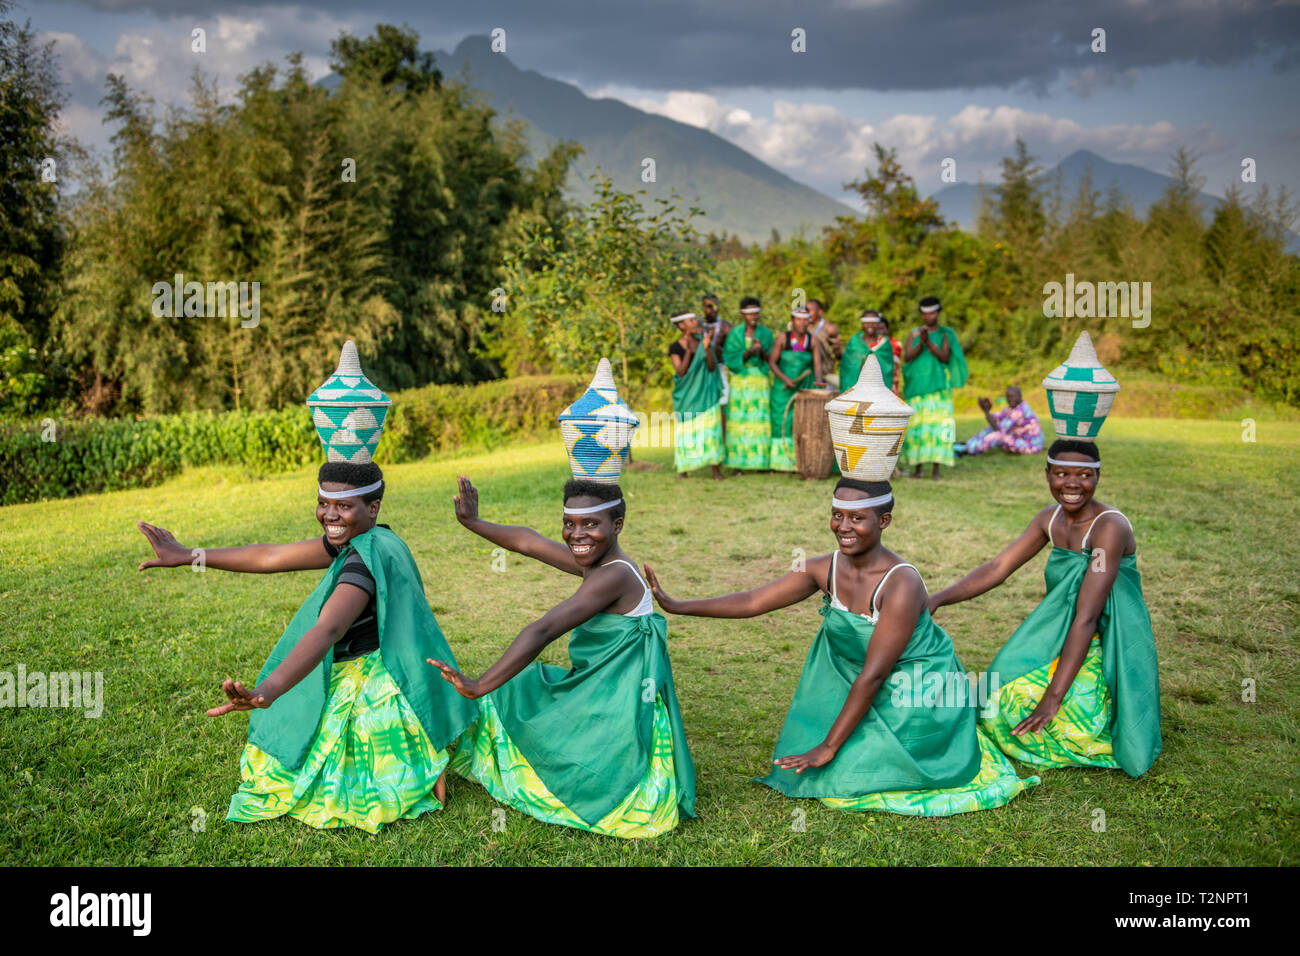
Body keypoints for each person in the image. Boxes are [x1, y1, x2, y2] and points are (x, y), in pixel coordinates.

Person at [644, 478, 1038, 815]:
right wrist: (679, 605)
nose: (843, 526)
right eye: (837, 515)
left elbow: (876, 674)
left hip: (916, 690)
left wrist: (829, 746)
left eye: (857, 518)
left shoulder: (901, 584)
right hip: (869, 682)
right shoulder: (820, 567)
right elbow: (753, 601)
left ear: (883, 521)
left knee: (849, 773)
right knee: (837, 774)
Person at [136, 460, 479, 833]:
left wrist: (270, 690)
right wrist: (190, 555)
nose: (329, 514)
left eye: (343, 506)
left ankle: (418, 760)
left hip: (381, 680)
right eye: (323, 503)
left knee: (305, 774)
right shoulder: (375, 538)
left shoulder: (361, 563)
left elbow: (328, 630)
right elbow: (268, 556)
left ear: (373, 508)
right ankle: (421, 752)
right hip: (398, 666)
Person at [430, 477, 697, 838]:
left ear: (617, 525)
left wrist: (479, 685)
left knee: (513, 691)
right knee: (522, 688)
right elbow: (529, 542)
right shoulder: (600, 560)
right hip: (605, 682)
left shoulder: (613, 575)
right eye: (569, 524)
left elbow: (543, 630)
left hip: (621, 698)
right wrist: (474, 523)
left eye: (591, 524)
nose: (576, 535)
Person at [926, 439, 1162, 777]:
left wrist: (1053, 697)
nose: (1072, 484)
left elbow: (1088, 616)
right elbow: (997, 568)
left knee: (1074, 725)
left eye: (1084, 475)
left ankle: (1093, 700)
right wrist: (937, 599)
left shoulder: (1110, 527)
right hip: (1061, 632)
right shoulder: (1048, 520)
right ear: (1047, 474)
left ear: (1098, 477)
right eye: (1062, 473)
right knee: (995, 701)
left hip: (1108, 639)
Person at [900, 296, 967, 480]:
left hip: (938, 388)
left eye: (932, 313)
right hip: (917, 388)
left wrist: (929, 342)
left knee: (938, 429)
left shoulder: (946, 333)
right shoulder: (914, 333)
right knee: (917, 429)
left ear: (938, 313)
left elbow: (945, 357)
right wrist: (921, 341)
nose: (928, 317)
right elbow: (908, 357)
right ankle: (918, 469)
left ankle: (936, 469)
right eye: (925, 314)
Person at [667, 310, 726, 480]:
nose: (695, 323)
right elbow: (681, 372)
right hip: (687, 396)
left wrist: (706, 348)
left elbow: (712, 367)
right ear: (681, 325)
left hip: (705, 394)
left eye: (695, 320)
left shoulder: (703, 341)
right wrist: (689, 351)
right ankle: (683, 469)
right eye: (691, 320)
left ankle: (715, 470)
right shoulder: (675, 347)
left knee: (711, 431)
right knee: (687, 431)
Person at [768, 306, 825, 472]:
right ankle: (778, 464)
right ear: (792, 321)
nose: (802, 323)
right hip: (783, 389)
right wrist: (785, 379)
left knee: (801, 423)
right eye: (798, 319)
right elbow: (772, 362)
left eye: (805, 319)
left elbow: (817, 365)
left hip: (803, 388)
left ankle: (799, 462)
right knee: (781, 423)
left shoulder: (812, 341)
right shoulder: (782, 339)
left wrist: (819, 381)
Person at [721, 297, 774, 471]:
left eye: (756, 313)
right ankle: (738, 464)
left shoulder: (765, 334)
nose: (754, 316)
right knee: (739, 422)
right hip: (740, 382)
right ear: (743, 315)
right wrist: (749, 352)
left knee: (760, 421)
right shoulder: (735, 334)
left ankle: (761, 463)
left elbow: (772, 360)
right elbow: (730, 359)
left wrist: (762, 352)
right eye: (750, 313)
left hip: (759, 381)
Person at [956, 386, 1044, 457]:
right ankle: (967, 444)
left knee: (998, 435)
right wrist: (987, 410)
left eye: (1012, 396)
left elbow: (999, 428)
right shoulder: (1011, 408)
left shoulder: (1020, 411)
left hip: (1030, 445)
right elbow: (995, 419)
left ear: (1020, 396)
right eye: (1008, 397)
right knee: (990, 428)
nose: (1010, 399)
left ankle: (968, 450)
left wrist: (986, 412)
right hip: (1018, 439)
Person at [839, 310, 895, 395]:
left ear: (878, 324)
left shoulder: (884, 343)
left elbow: (888, 368)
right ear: (862, 324)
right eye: (867, 322)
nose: (870, 325)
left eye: (874, 322)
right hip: (855, 389)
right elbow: (847, 366)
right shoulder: (854, 341)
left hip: (877, 391)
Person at [701, 294, 732, 439]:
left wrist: (716, 348)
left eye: (714, 306)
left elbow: (732, 350)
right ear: (703, 308)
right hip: (701, 372)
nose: (712, 310)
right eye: (708, 306)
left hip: (719, 370)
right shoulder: (698, 326)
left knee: (723, 403)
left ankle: (724, 441)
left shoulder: (725, 326)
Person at [807, 298, 842, 391]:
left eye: (810, 310)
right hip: (806, 372)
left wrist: (837, 349)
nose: (808, 313)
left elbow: (838, 355)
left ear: (820, 312)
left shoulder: (829, 328)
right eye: (806, 310)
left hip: (825, 372)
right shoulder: (803, 327)